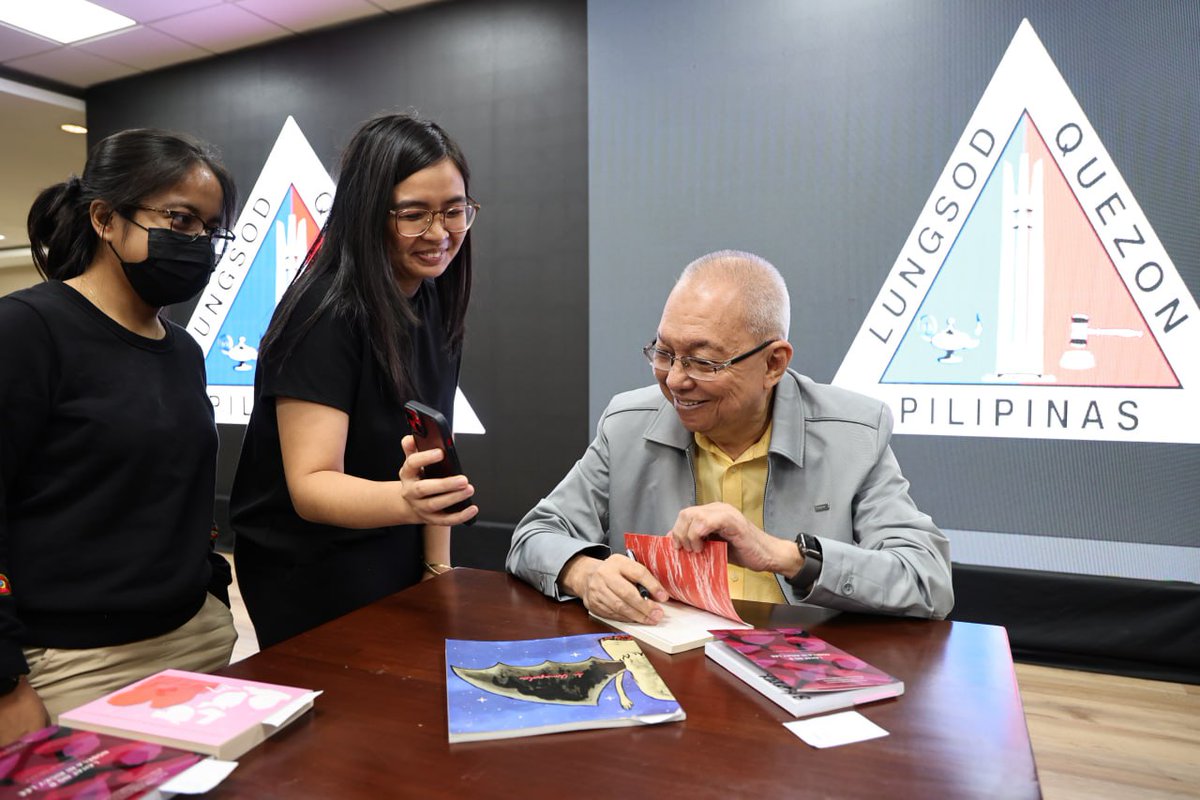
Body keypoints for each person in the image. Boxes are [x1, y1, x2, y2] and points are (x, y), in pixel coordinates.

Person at [507, 250, 953, 624]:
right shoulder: (628, 423)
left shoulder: (854, 433)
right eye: (664, 354)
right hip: (669, 665)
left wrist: (786, 556)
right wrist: (584, 574)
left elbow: (926, 581)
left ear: (774, 363)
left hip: (800, 669)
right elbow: (534, 536)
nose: (676, 381)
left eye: (704, 362)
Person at [0, 129, 240, 743]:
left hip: (196, 639)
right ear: (105, 218)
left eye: (210, 229)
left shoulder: (183, 349)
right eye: (180, 219)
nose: (197, 244)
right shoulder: (26, 330)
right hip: (74, 666)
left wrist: (209, 590)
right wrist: (5, 683)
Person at [230, 113, 481, 649]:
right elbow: (313, 485)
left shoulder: (434, 299)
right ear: (367, 213)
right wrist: (411, 503)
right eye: (414, 215)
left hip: (392, 537)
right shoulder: (323, 316)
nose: (439, 234)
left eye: (455, 210)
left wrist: (438, 571)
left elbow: (434, 453)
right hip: (310, 569)